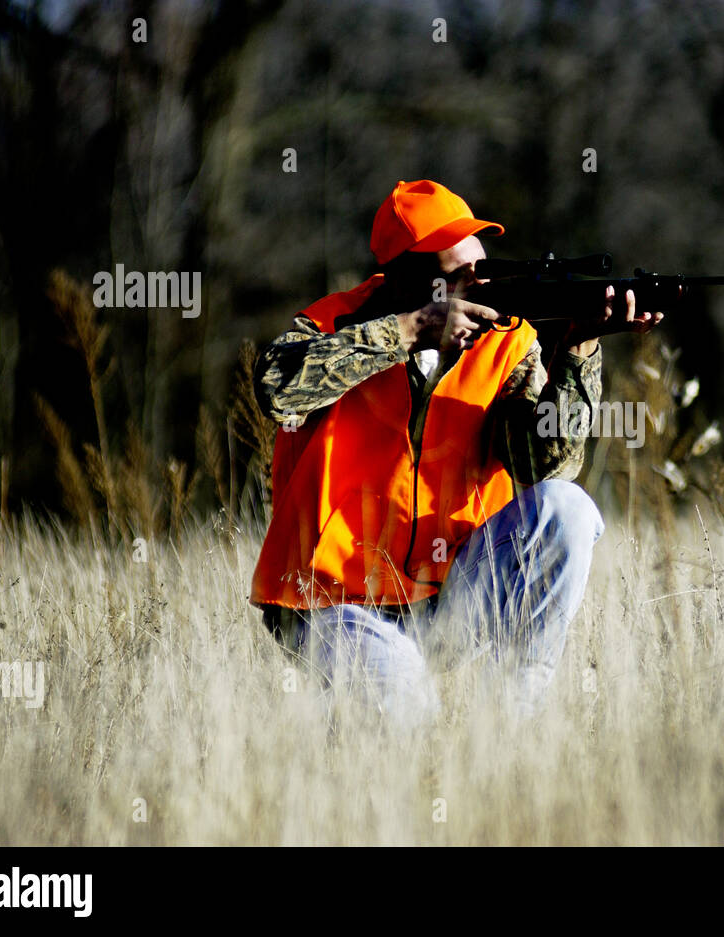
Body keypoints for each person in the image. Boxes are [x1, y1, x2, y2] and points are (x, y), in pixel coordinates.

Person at [249, 179, 665, 723]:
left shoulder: (505, 341)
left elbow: (545, 464)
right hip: (329, 602)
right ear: (404, 281)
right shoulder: (331, 324)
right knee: (404, 709)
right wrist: (410, 331)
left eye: (481, 264)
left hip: (447, 598)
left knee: (569, 507)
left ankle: (507, 735)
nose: (480, 281)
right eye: (460, 274)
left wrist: (578, 352)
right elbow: (277, 389)